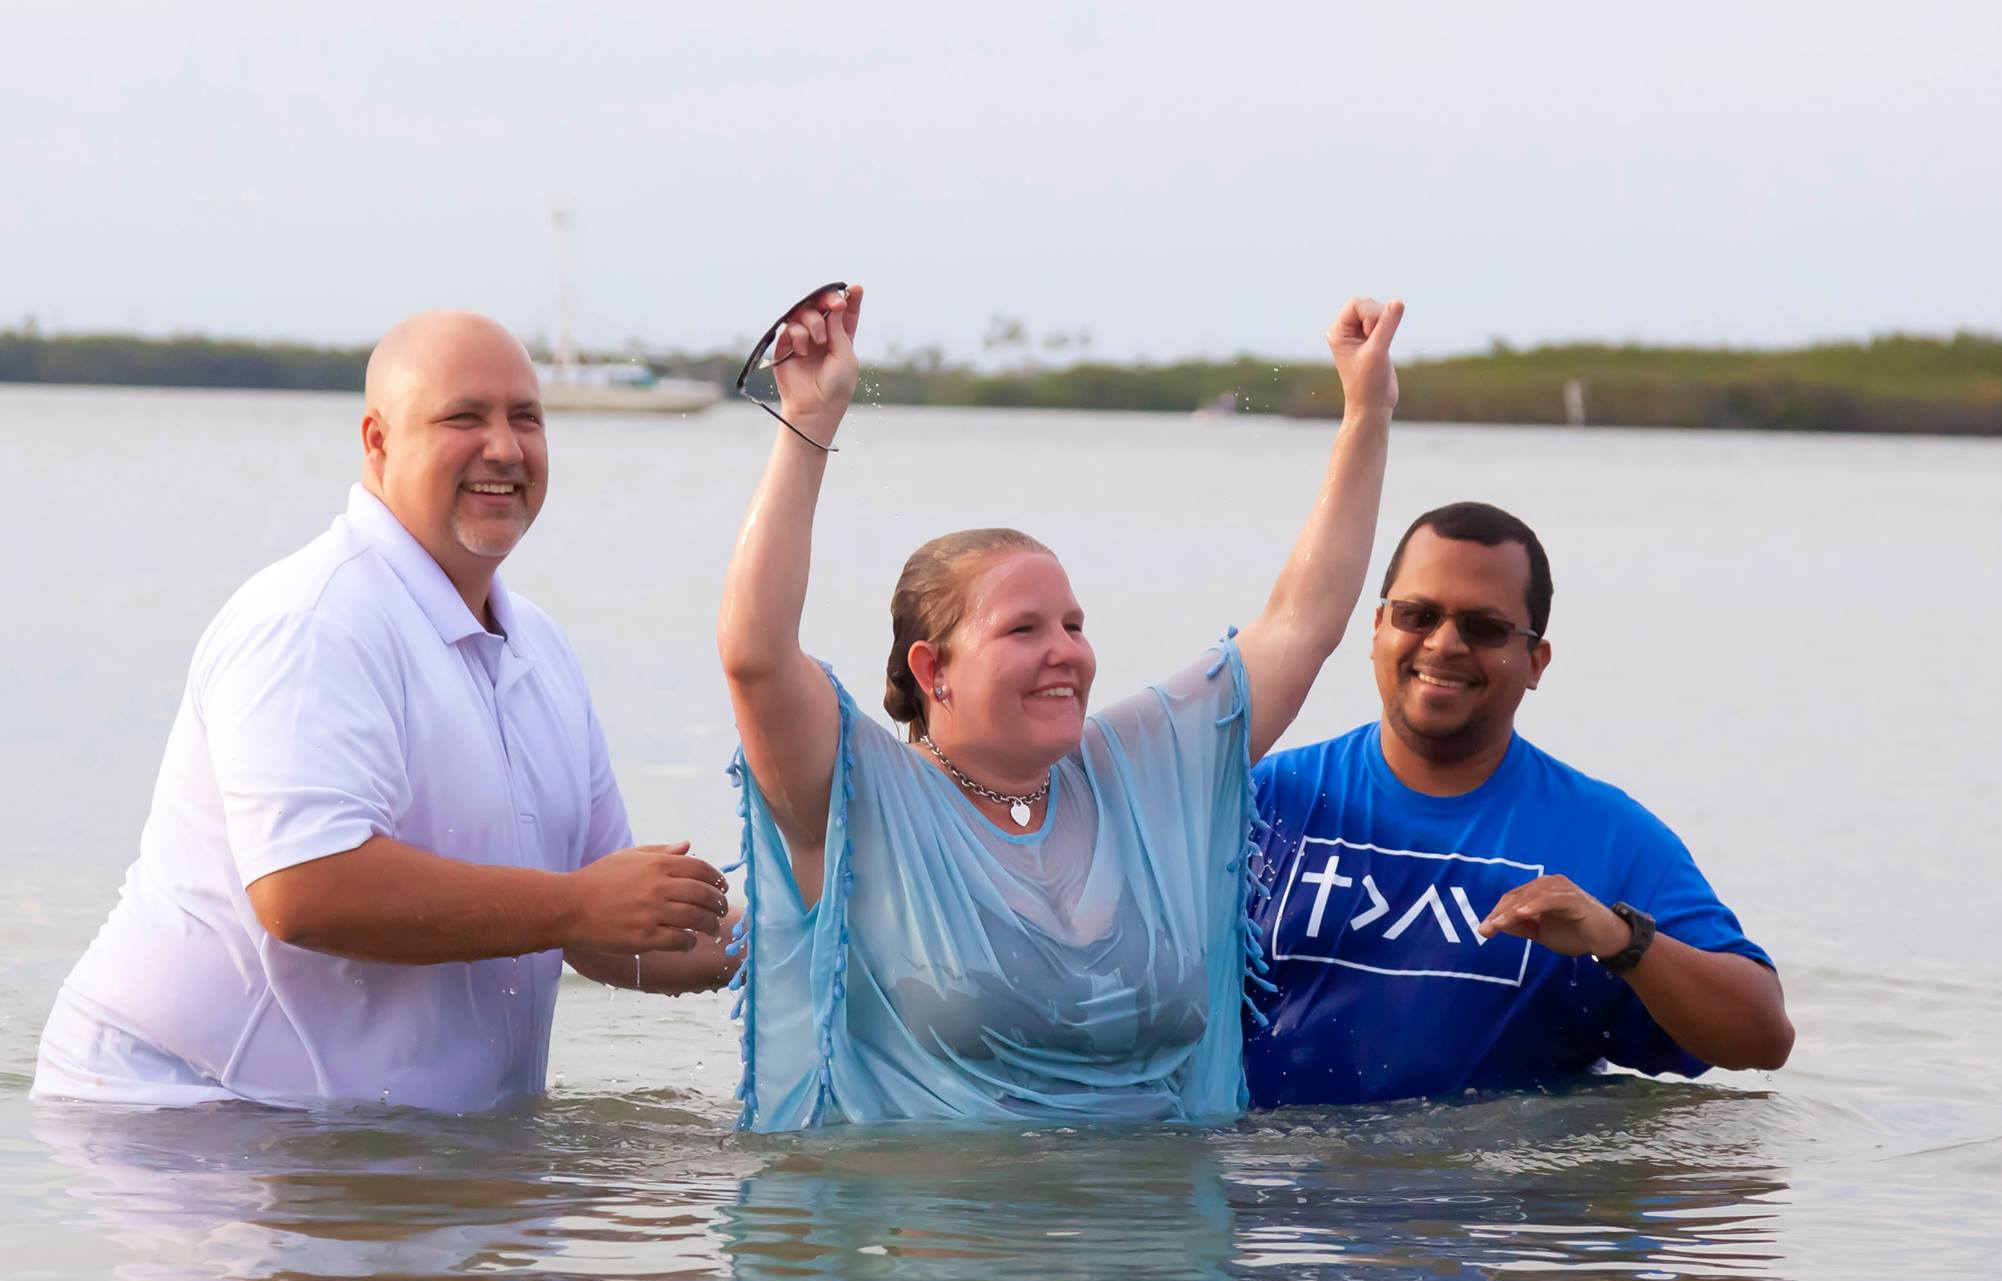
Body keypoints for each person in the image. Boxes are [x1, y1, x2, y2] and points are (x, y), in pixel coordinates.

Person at [718, 284, 1404, 1130]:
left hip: (1152, 1247)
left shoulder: (1137, 768)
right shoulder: (857, 798)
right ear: (933, 667)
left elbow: (1302, 625)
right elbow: (754, 656)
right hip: (944, 1244)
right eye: (1024, 628)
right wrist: (810, 425)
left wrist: (1365, 414)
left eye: (1075, 624)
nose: (1066, 652)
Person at [32, 310, 734, 1113]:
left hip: (393, 1157)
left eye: (526, 418)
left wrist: (816, 944)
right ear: (377, 440)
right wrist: (578, 903)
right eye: (464, 417)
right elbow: (307, 888)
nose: (503, 447)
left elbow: (613, 930)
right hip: (188, 1126)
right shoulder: (314, 617)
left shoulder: (540, 647)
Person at [1243, 502, 1795, 1106]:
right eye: (1418, 615)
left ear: (1536, 662)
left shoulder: (1608, 843)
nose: (1445, 643)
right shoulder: (1267, 800)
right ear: (1377, 629)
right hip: (1270, 1185)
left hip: (1499, 1193)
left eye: (1484, 628)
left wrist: (1620, 940)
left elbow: (1763, 1039)